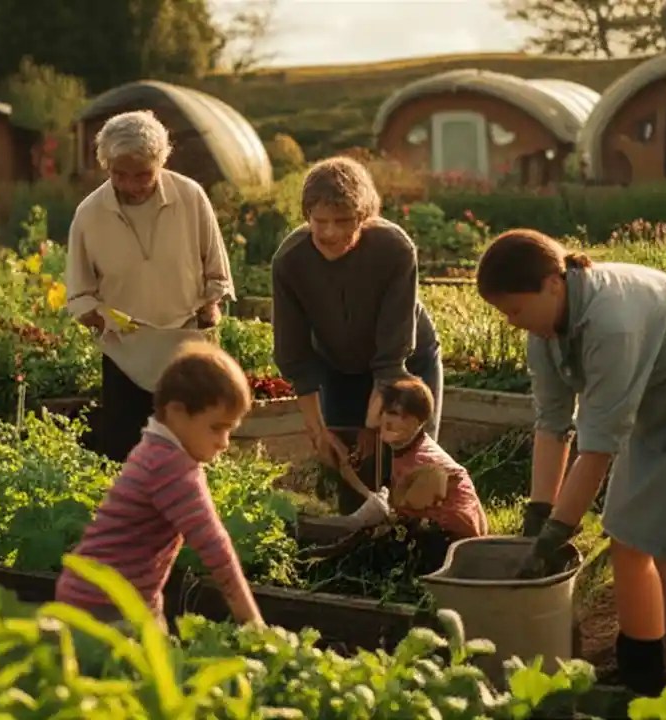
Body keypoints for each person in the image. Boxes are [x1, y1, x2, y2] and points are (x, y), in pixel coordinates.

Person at [475, 229, 666, 695]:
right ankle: (640, 668)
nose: (512, 321)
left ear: (553, 283)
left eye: (515, 308)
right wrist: (538, 516)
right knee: (628, 540)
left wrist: (558, 532)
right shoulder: (544, 332)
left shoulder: (612, 321)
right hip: (654, 408)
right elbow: (553, 424)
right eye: (503, 313)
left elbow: (597, 447)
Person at [55, 342, 263, 630]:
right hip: (103, 605)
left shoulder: (160, 451)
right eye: (216, 428)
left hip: (115, 597)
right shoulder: (169, 466)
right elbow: (215, 548)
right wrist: (254, 624)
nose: (224, 442)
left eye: (230, 430)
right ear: (177, 413)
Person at [65, 110, 234, 462]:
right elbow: (79, 294)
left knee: (186, 456)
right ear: (105, 166)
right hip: (125, 355)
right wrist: (99, 318)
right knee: (125, 457)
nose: (132, 185)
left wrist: (209, 307)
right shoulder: (89, 213)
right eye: (119, 175)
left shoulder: (190, 197)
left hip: (185, 350)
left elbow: (217, 274)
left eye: (143, 174)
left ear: (162, 161)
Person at [271, 157, 442, 498]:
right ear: (307, 217)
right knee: (347, 468)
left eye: (343, 221)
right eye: (320, 222)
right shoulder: (290, 261)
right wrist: (318, 430)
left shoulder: (394, 249)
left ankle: (423, 541)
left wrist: (371, 426)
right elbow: (295, 356)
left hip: (406, 362)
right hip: (340, 366)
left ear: (364, 218)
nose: (330, 232)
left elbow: (391, 358)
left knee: (411, 470)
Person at [327, 376, 487, 572]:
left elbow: (410, 510)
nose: (389, 421)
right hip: (446, 536)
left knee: (372, 549)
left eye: (400, 415)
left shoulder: (424, 462)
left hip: (455, 545)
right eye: (387, 412)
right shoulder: (406, 449)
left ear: (418, 422)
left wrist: (379, 515)